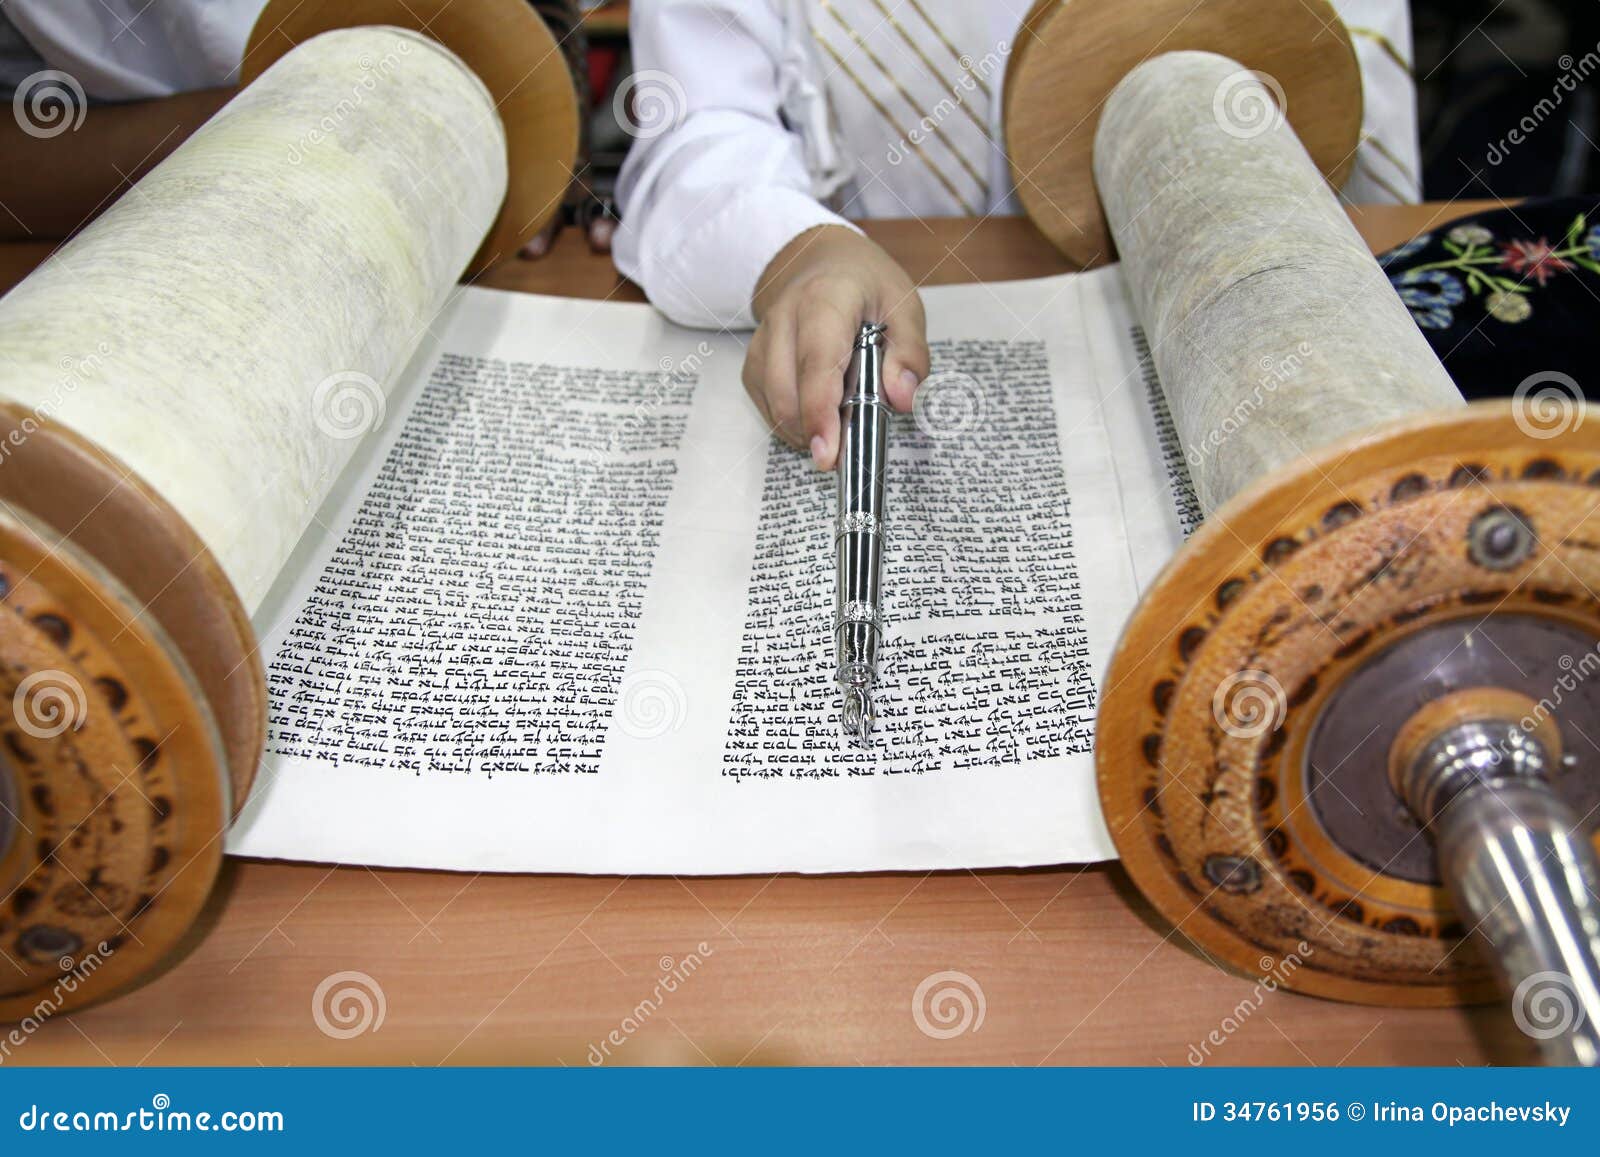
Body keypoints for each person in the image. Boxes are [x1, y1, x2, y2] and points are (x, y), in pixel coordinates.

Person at [613, 0, 1424, 470]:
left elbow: (1329, 89)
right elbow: (697, 124)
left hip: (1231, 300)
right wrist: (797, 249)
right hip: (898, 270)